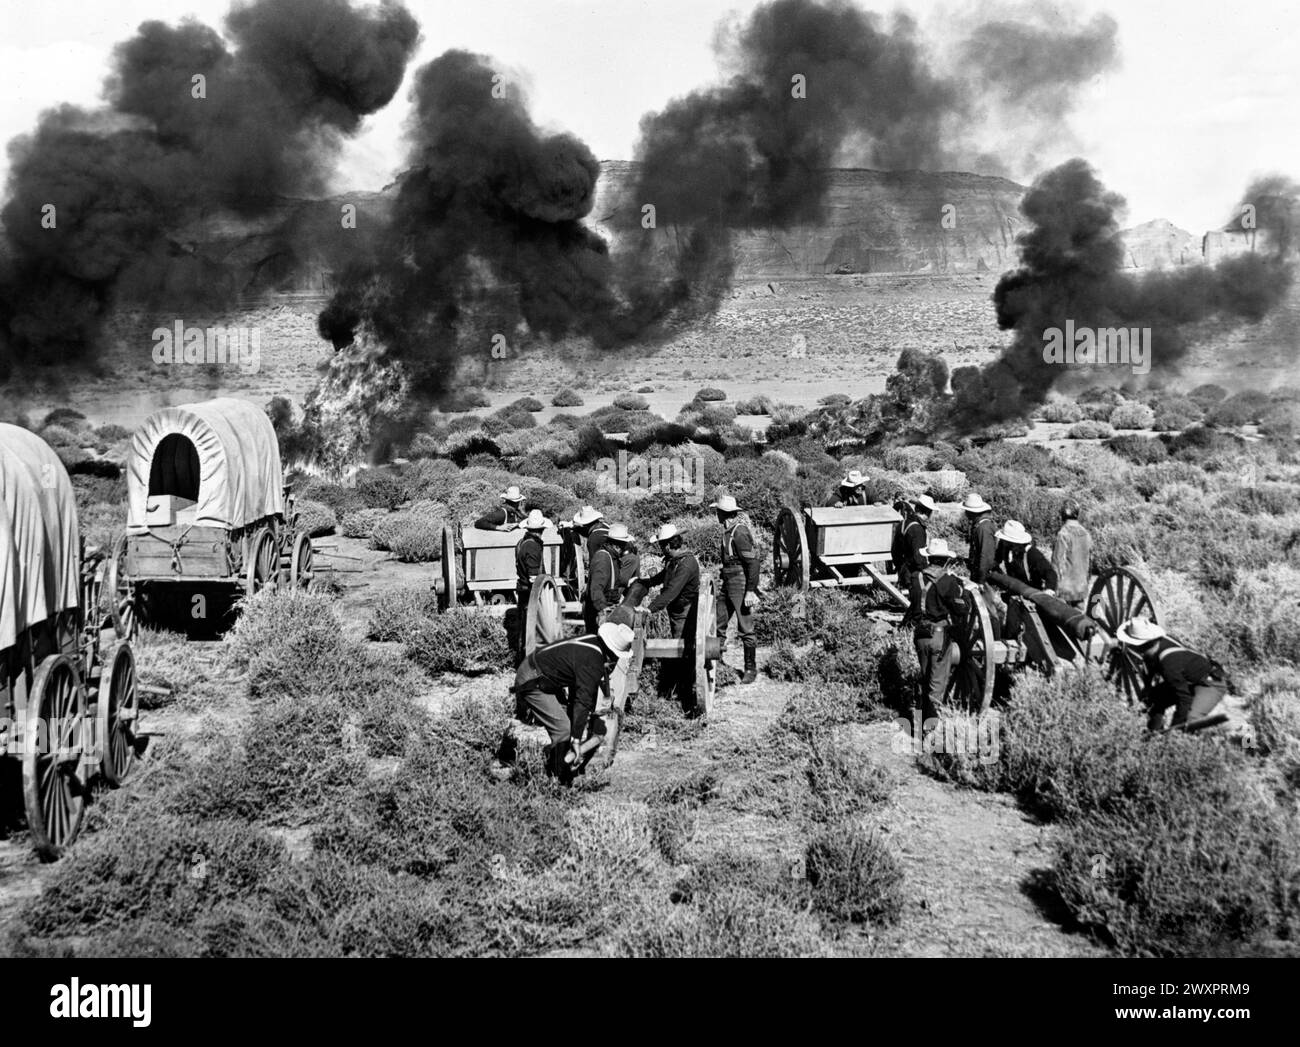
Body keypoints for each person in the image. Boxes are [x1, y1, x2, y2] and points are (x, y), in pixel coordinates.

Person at [507, 622, 635, 779]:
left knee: (568, 722)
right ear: (612, 653)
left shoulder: (592, 640)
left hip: (539, 669)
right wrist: (575, 739)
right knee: (563, 728)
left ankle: (559, 764)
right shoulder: (592, 662)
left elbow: (580, 690)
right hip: (532, 678)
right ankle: (558, 780)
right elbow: (583, 701)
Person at [1116, 619, 1230, 730]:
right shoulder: (1158, 644)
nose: (1134, 648)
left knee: (1191, 719)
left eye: (1135, 645)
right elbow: (1150, 664)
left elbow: (1184, 698)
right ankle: (1153, 734)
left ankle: (1177, 742)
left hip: (1210, 684)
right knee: (1153, 698)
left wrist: (1174, 730)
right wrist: (1147, 687)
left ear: (1144, 645)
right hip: (1186, 680)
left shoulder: (1169, 665)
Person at [912, 538, 970, 728]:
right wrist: (964, 595)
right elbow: (960, 610)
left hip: (920, 635)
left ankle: (919, 722)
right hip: (939, 635)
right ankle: (929, 731)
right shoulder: (947, 581)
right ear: (945, 560)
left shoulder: (916, 578)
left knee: (924, 678)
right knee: (936, 686)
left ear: (929, 558)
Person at [711, 495, 761, 685]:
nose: (716, 515)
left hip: (739, 582)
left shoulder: (739, 533)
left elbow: (753, 563)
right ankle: (718, 661)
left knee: (746, 627)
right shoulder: (728, 531)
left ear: (723, 513)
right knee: (718, 622)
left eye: (717, 512)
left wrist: (750, 591)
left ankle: (750, 669)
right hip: (728, 581)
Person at [639, 523, 701, 639]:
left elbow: (671, 591)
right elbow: (665, 575)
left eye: (661, 546)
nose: (661, 549)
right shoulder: (673, 560)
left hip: (684, 612)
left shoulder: (686, 564)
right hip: (677, 609)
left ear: (667, 546)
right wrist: (648, 582)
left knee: (680, 643)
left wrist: (649, 608)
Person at [512, 510, 549, 660]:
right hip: (531, 593)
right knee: (532, 629)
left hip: (523, 589)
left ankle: (524, 658)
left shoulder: (522, 542)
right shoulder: (533, 546)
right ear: (542, 529)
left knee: (525, 628)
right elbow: (534, 577)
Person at [895, 494, 934, 624]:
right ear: (928, 512)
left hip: (903, 568)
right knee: (919, 602)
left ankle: (905, 625)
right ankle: (909, 626)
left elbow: (894, 550)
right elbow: (919, 558)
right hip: (913, 572)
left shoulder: (904, 522)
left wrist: (899, 567)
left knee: (915, 603)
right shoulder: (917, 530)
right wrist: (927, 573)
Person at [583, 520, 626, 634]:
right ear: (617, 545)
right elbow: (596, 589)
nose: (625, 548)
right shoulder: (603, 558)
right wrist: (602, 610)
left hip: (608, 607)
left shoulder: (612, 558)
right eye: (624, 545)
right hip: (598, 611)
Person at [995, 520, 1058, 591]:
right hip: (1013, 587)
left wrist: (1049, 589)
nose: (1003, 542)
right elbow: (997, 559)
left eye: (1006, 541)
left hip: (1030, 590)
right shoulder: (1005, 547)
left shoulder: (1032, 553)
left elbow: (1050, 572)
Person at [1052, 499, 1092, 610]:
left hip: (1066, 587)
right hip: (1081, 584)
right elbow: (1090, 559)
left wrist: (1053, 585)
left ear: (1062, 514)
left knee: (1064, 619)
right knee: (1079, 617)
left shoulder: (1063, 533)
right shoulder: (1085, 532)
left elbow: (1057, 562)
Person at [962, 492, 997, 583]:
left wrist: (981, 580)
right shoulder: (979, 525)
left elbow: (985, 556)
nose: (965, 513)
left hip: (984, 576)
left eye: (967, 511)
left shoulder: (983, 528)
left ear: (973, 512)